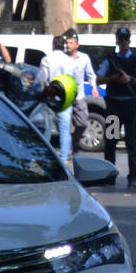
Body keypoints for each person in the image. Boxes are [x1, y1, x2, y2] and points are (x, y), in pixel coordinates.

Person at [96, 26, 136, 189]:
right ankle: (109, 176)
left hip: (130, 106)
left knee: (132, 143)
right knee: (111, 142)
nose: (124, 42)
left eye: (126, 39)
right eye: (121, 39)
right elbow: (99, 79)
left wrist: (129, 79)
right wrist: (113, 78)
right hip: (114, 105)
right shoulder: (110, 59)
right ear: (117, 41)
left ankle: (132, 178)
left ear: (129, 40)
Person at [51, 30, 93, 169]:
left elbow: (91, 74)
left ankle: (73, 143)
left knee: (82, 123)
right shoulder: (61, 58)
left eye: (70, 43)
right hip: (65, 98)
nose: (68, 45)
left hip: (79, 95)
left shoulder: (84, 58)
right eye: (66, 43)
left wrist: (94, 87)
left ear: (77, 45)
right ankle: (66, 151)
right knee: (64, 125)